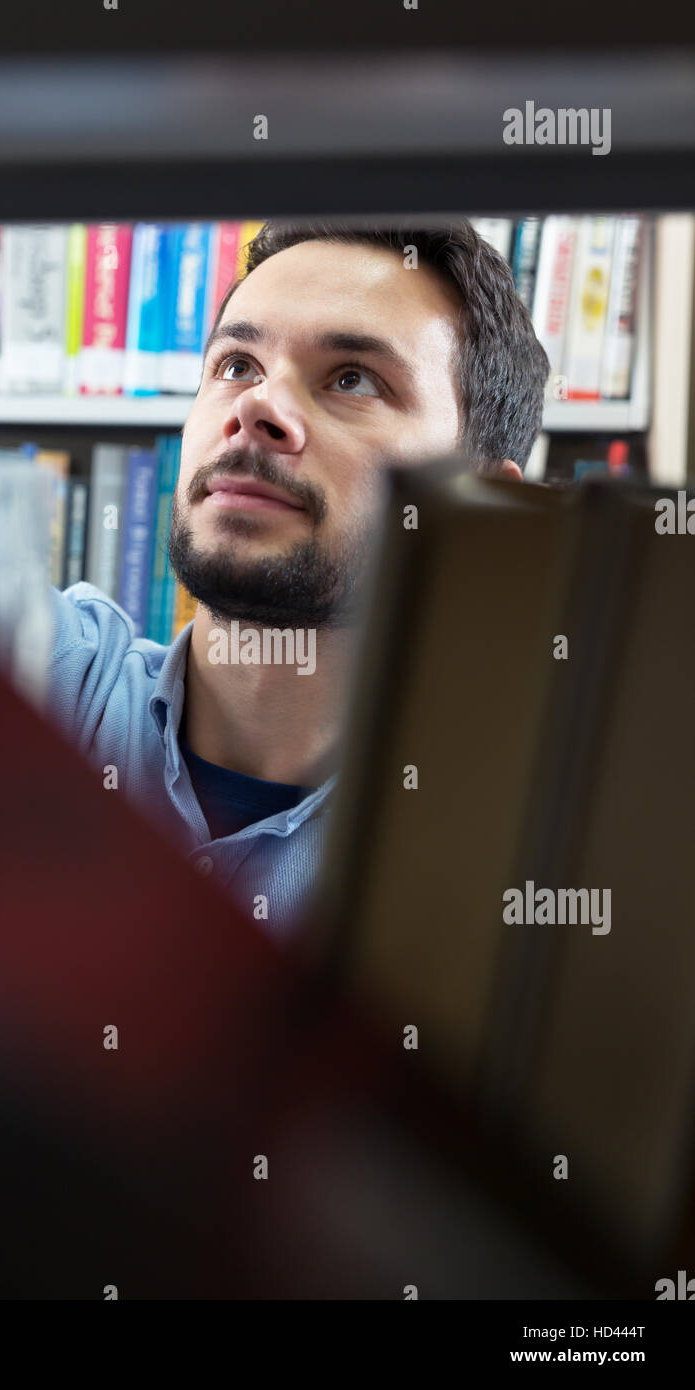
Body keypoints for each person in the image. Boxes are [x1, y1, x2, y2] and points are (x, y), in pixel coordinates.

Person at [48, 221, 549, 933]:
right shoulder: (36, 682)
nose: (257, 407)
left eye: (352, 379)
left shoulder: (525, 863)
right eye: (237, 366)